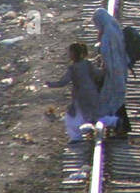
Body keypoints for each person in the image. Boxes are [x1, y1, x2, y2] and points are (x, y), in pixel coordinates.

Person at [46, 42, 101, 143]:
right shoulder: (88, 64)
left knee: (72, 116)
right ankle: (94, 130)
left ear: (75, 54)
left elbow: (63, 82)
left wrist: (51, 84)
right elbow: (97, 75)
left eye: (70, 53)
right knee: (91, 113)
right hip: (92, 93)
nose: (69, 55)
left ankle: (76, 137)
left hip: (80, 96)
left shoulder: (73, 68)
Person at [92, 8, 131, 136]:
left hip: (113, 70)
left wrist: (106, 68)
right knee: (115, 96)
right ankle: (119, 126)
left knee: (113, 96)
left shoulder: (108, 33)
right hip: (119, 68)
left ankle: (120, 125)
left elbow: (109, 53)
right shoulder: (113, 27)